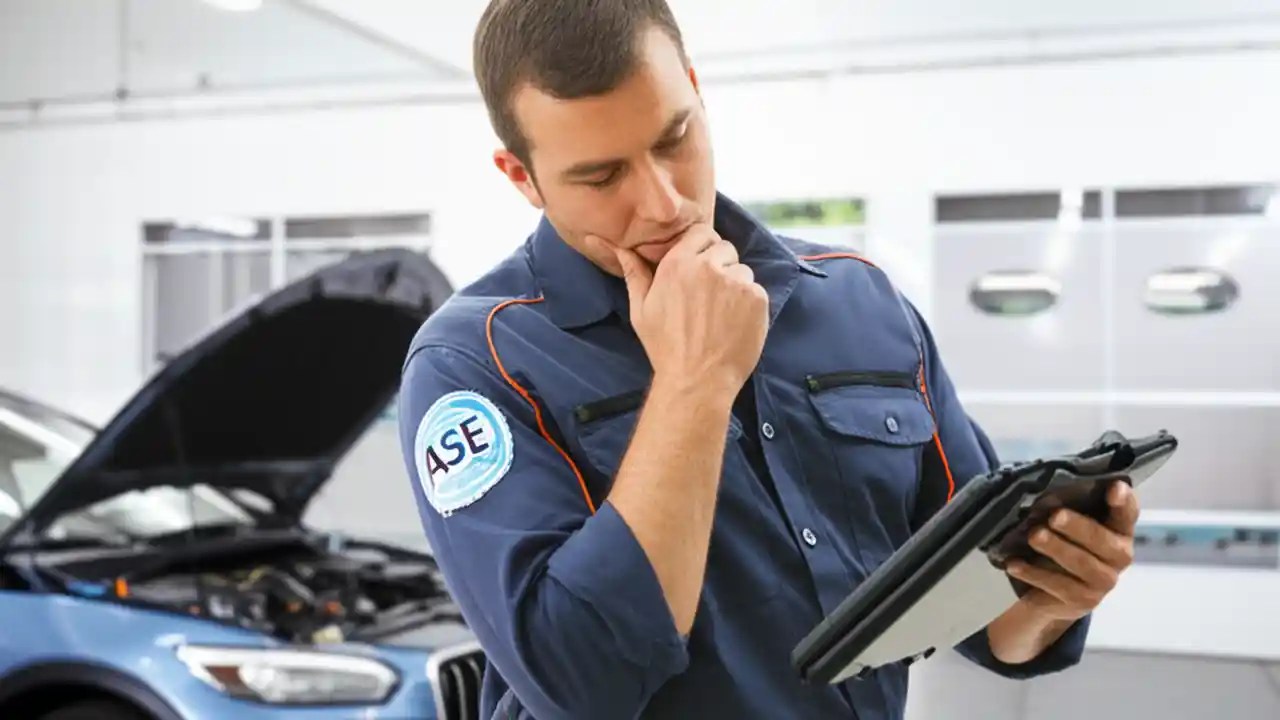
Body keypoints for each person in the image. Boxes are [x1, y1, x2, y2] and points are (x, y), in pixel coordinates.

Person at [397, 1, 1141, 717]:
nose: (663, 204)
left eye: (673, 138)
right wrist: (695, 384)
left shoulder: (860, 301)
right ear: (520, 176)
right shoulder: (473, 363)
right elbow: (581, 685)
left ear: (694, 86)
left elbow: (988, 611)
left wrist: (1054, 595)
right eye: (601, 176)